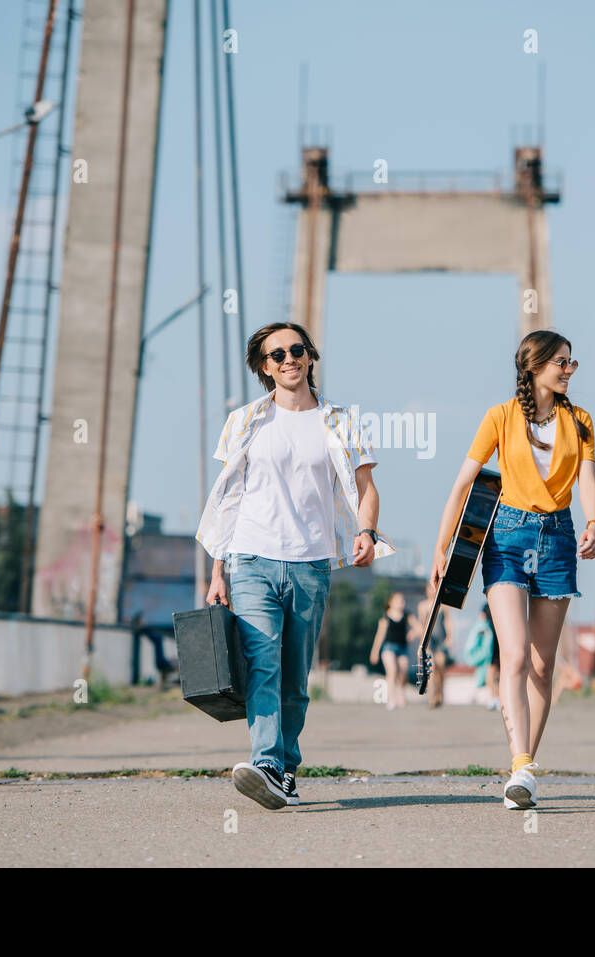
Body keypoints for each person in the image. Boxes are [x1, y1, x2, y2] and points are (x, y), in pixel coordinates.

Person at [199, 321, 395, 810]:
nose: (288, 358)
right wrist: (218, 570)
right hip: (250, 559)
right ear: (264, 367)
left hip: (310, 564)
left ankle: (285, 768)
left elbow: (366, 488)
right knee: (262, 663)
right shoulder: (245, 421)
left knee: (294, 678)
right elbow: (228, 500)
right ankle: (265, 761)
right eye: (277, 354)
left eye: (297, 350)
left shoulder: (340, 421)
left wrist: (366, 532)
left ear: (310, 357)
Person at [430, 330, 595, 809]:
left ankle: (526, 765)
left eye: (572, 362)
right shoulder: (500, 417)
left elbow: (588, 479)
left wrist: (594, 522)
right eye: (561, 363)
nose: (570, 370)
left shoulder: (581, 420)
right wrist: (441, 548)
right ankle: (521, 764)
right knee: (516, 658)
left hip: (559, 538)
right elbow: (463, 483)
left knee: (544, 667)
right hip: (505, 537)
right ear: (535, 366)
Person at [369, 591, 416, 710]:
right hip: (388, 647)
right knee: (392, 671)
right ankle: (392, 700)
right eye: (399, 600)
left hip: (402, 648)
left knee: (403, 673)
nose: (402, 603)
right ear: (391, 602)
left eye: (403, 600)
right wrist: (374, 652)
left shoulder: (407, 615)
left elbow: (419, 627)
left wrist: (412, 633)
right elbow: (379, 636)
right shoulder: (385, 617)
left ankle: (401, 696)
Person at [415, 592, 455, 707]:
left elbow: (448, 621)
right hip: (429, 640)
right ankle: (432, 696)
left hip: (441, 639)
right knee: (431, 667)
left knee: (441, 666)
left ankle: (440, 692)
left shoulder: (444, 605)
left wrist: (450, 637)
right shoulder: (422, 606)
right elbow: (421, 623)